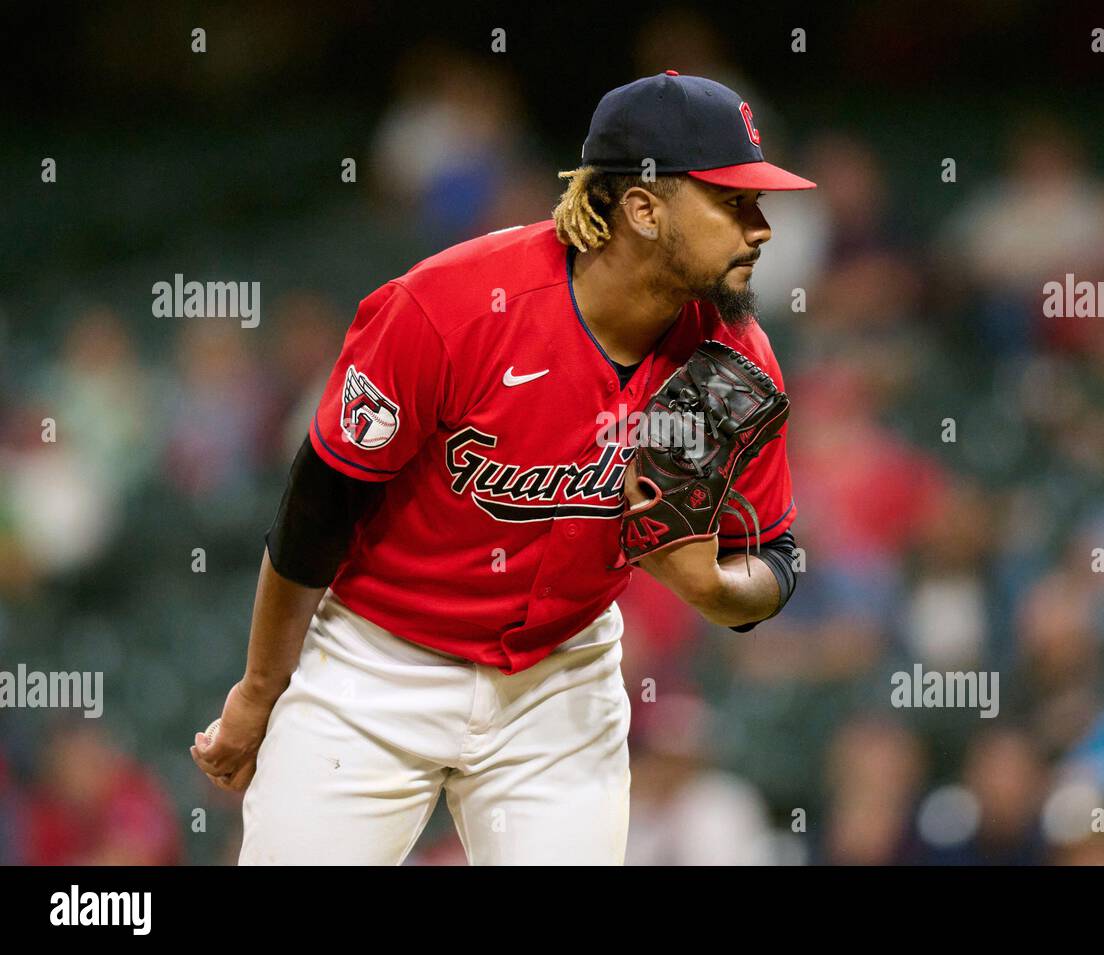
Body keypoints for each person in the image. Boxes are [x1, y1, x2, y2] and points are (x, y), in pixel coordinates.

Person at [190, 71, 816, 865]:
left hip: (563, 680)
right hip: (380, 663)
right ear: (644, 207)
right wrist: (258, 690)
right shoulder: (450, 307)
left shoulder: (732, 360)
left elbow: (778, 555)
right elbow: (319, 506)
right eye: (733, 201)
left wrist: (714, 588)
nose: (761, 226)